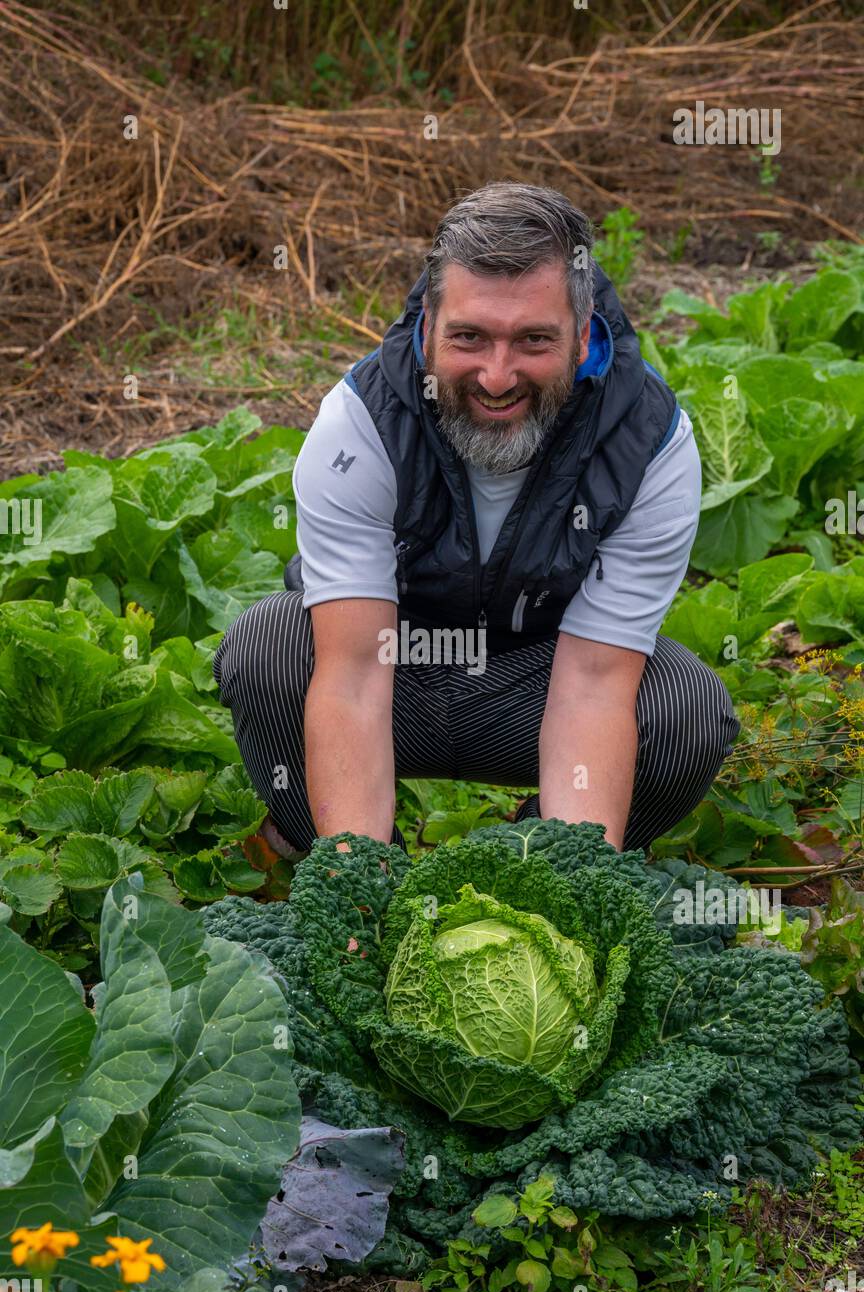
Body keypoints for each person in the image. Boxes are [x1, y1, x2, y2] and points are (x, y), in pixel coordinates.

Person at [214, 181, 739, 856]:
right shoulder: (359, 426)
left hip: (543, 682)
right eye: (470, 337)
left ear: (583, 338)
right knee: (269, 648)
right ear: (429, 329)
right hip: (395, 669)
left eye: (532, 341)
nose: (497, 376)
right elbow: (351, 676)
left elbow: (595, 684)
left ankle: (540, 856)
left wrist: (574, 889)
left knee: (686, 712)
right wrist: (358, 893)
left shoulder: (651, 444)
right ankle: (343, 860)